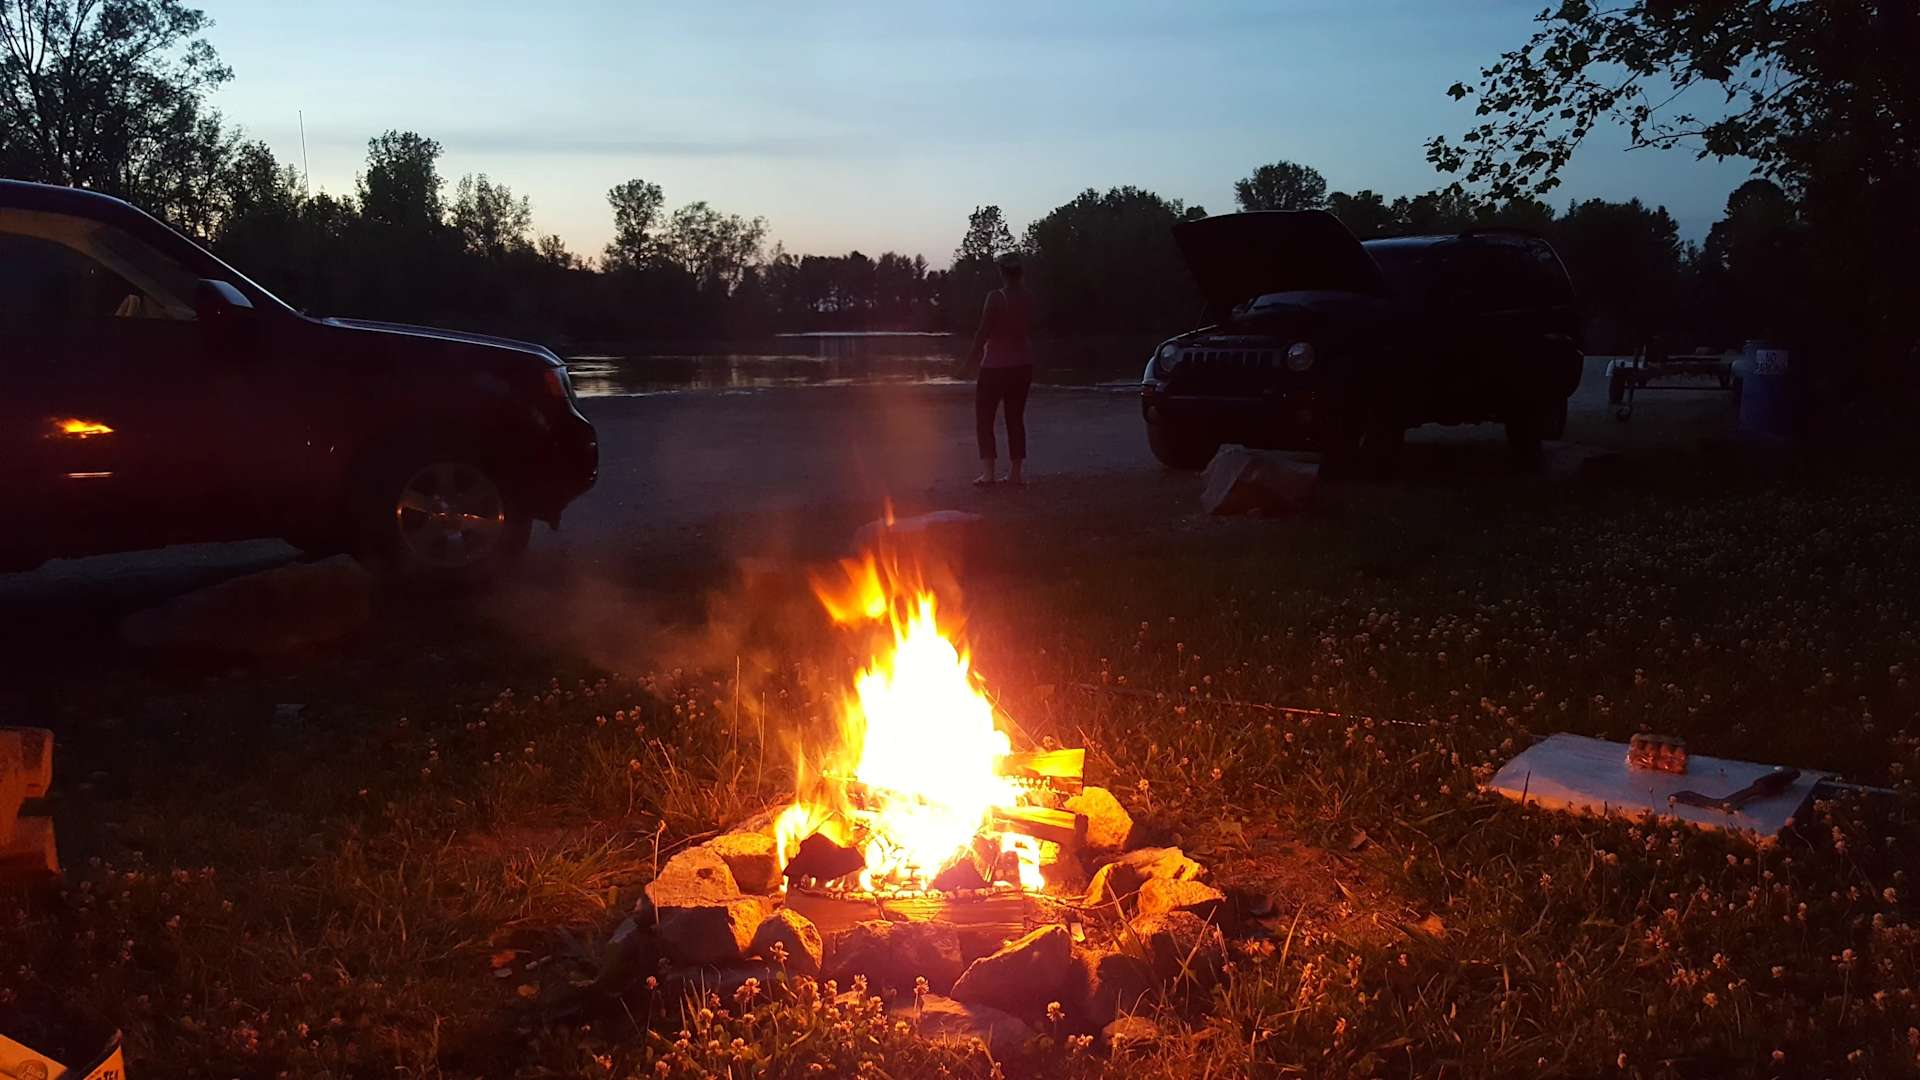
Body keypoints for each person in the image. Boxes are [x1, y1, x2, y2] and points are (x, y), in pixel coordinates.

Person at [964, 252, 1034, 486]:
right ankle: (1015, 474)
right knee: (1015, 419)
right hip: (1023, 366)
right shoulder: (1028, 298)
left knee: (985, 418)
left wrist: (969, 360)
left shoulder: (995, 297)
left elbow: (983, 331)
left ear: (1001, 272)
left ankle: (989, 474)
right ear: (1020, 272)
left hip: (995, 367)